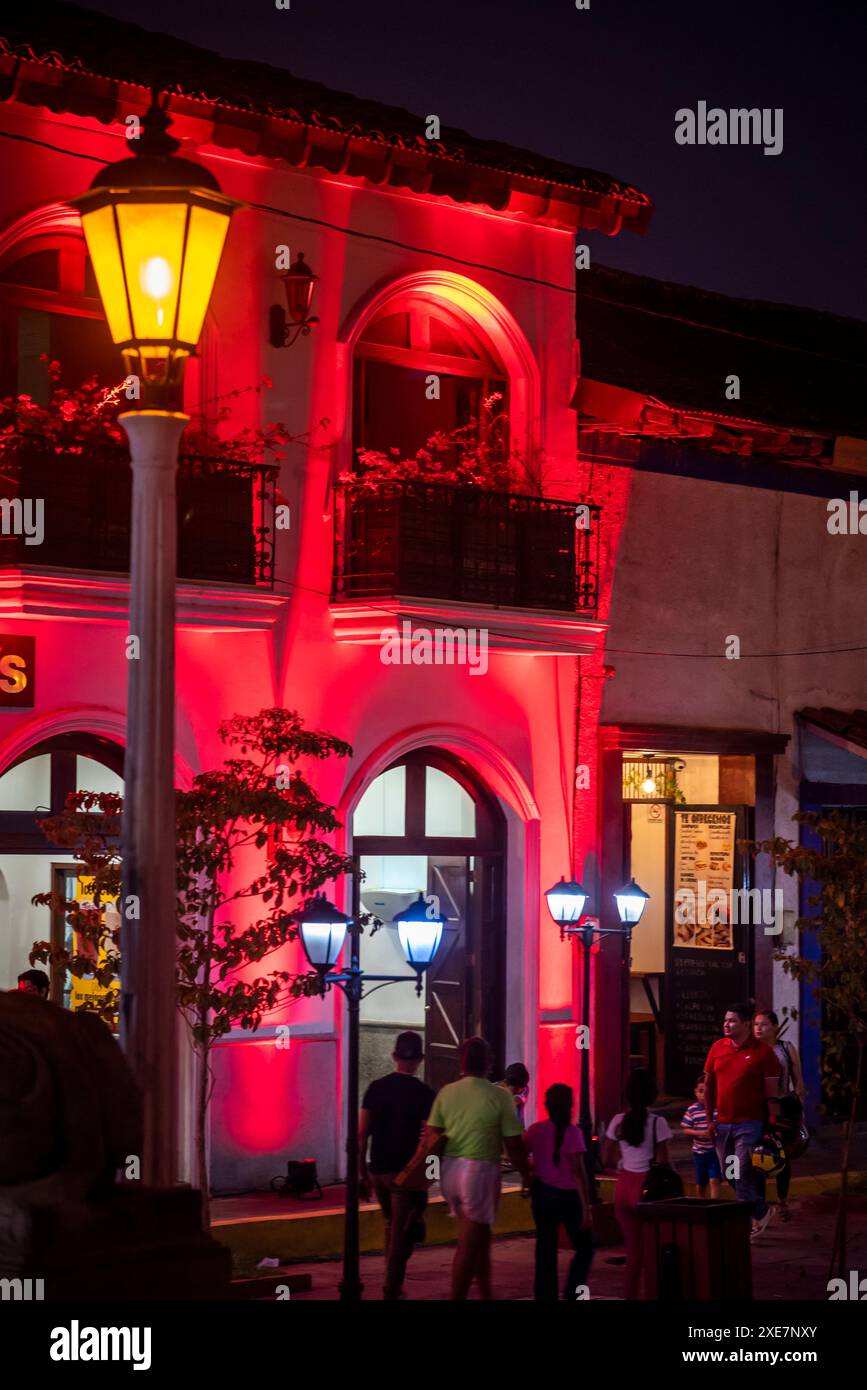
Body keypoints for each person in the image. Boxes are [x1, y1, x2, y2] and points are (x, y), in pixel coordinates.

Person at [395, 1035, 530, 1300]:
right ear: (489, 1062)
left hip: (450, 1172)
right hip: (478, 1172)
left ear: (462, 1061)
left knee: (479, 1239)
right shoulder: (500, 1096)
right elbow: (513, 1143)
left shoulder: (447, 1092)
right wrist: (526, 1174)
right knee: (468, 1247)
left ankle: (487, 1293)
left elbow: (431, 1134)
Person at [358, 1030, 435, 1300]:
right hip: (405, 1174)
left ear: (394, 1056)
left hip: (378, 1169)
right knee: (402, 1233)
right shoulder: (425, 1093)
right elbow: (429, 1138)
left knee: (391, 1224)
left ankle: (392, 1276)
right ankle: (391, 1289)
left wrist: (361, 1172)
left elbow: (362, 1133)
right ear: (421, 1059)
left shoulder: (376, 1088)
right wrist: (427, 1174)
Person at [703, 1001, 782, 1241]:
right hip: (722, 1122)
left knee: (743, 1173)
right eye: (725, 1020)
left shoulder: (763, 1054)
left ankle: (746, 1224)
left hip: (750, 1123)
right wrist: (709, 1119)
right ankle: (760, 1209)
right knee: (730, 1173)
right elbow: (708, 1086)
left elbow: (771, 1092)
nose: (727, 1025)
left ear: (746, 1024)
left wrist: (773, 1121)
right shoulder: (718, 1048)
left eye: (732, 1021)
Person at [602, 1069, 672, 1300]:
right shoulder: (657, 1123)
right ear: (651, 1094)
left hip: (623, 1187)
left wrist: (623, 1162)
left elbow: (606, 1159)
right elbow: (663, 1161)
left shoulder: (618, 1121)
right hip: (647, 1189)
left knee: (633, 1252)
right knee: (653, 1251)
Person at [524, 1083, 593, 1300]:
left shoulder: (536, 1130)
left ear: (547, 1105)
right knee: (585, 1248)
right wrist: (586, 1207)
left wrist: (530, 1177)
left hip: (543, 1194)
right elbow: (578, 1172)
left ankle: (545, 1295)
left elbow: (519, 1155)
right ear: (569, 1106)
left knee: (545, 1249)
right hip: (568, 1196)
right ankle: (573, 1291)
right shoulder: (574, 1133)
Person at [753, 1009, 806, 1223]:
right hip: (759, 1109)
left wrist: (798, 1103)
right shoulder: (751, 1051)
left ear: (774, 1027)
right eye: (756, 1024)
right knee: (758, 1156)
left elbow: (798, 1079)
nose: (758, 1028)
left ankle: (782, 1200)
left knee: (782, 1156)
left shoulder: (785, 1048)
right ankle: (761, 1207)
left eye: (764, 1024)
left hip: (783, 1106)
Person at [681, 1072, 721, 1199]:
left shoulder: (718, 1108)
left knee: (714, 1180)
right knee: (700, 1183)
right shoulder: (692, 1110)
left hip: (715, 1152)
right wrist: (700, 1133)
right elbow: (686, 1129)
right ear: (695, 1092)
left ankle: (715, 1205)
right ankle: (701, 1205)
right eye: (701, 1091)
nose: (704, 1095)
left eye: (707, 1091)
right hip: (699, 1153)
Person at [497, 1062, 529, 1128]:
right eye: (517, 1088)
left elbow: (514, 1101)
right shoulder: (494, 1088)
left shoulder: (524, 1087)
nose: (520, 1090)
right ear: (507, 1085)